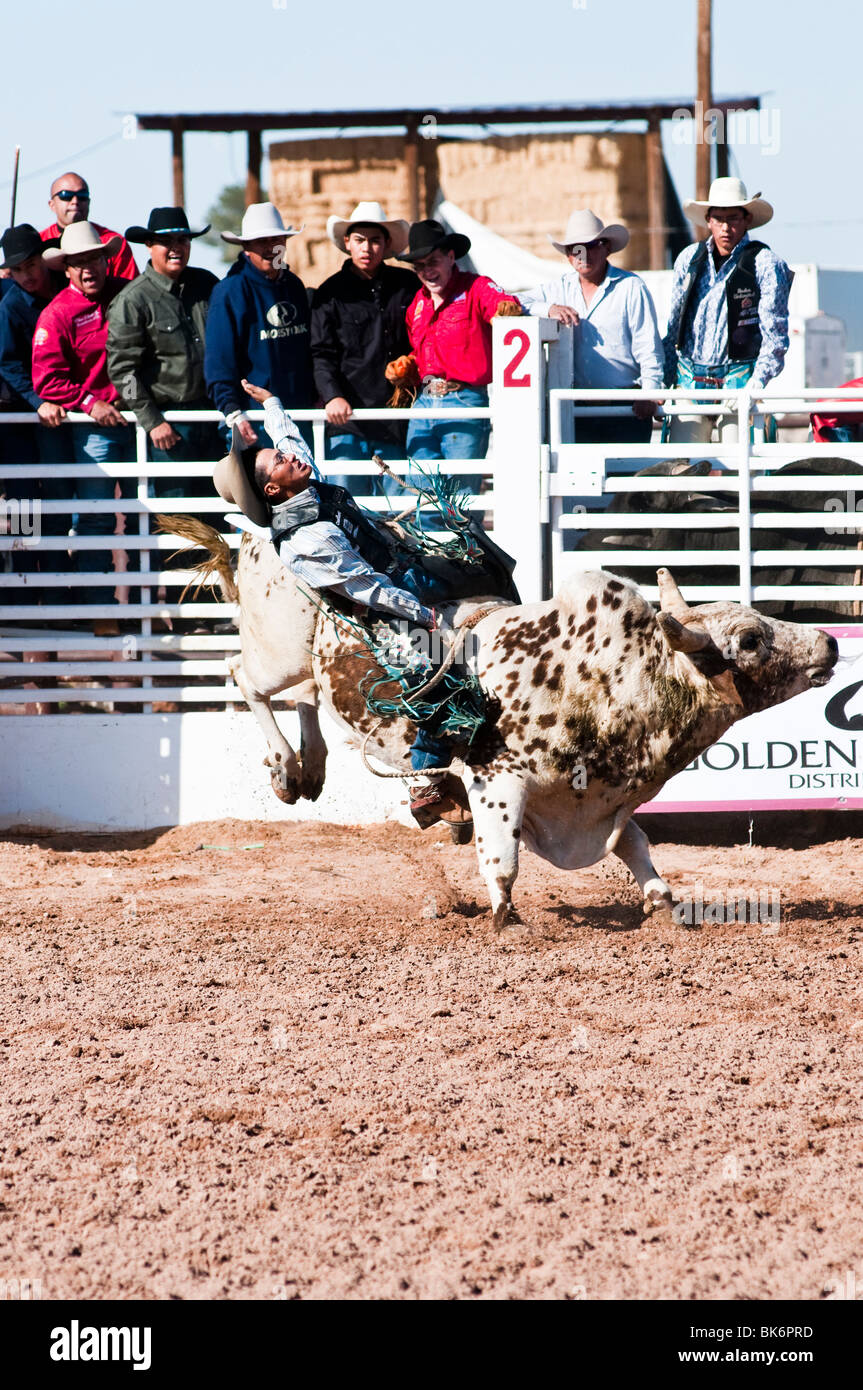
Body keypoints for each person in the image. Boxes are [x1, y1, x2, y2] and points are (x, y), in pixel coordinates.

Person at [217, 379, 473, 826]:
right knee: (430, 671)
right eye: (279, 461)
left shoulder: (304, 488)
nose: (290, 457)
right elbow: (368, 589)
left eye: (283, 456)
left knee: (479, 574)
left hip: (401, 570)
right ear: (274, 489)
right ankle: (426, 782)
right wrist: (422, 613)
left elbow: (292, 441)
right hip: (382, 610)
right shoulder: (305, 540)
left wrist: (273, 402)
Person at [31, 222, 135, 631]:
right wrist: (92, 404)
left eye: (93, 258)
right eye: (78, 262)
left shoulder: (126, 298)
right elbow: (47, 379)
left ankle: (148, 604)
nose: (88, 267)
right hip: (95, 427)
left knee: (146, 513)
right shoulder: (56, 314)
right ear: (68, 270)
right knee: (95, 515)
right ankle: (100, 607)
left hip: (132, 419)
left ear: (106, 261)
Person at [663, 177, 793, 442]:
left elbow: (775, 333)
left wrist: (757, 382)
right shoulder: (690, 259)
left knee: (740, 468)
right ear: (708, 220)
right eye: (719, 219)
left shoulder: (766, 263)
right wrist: (664, 381)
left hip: (739, 377)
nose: (726, 227)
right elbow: (674, 325)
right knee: (678, 464)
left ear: (746, 220)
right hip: (689, 376)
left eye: (733, 218)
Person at [519, 208, 664, 444]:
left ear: (606, 247)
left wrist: (649, 393)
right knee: (578, 479)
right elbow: (512, 301)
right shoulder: (559, 290)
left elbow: (647, 345)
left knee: (627, 478)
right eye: (574, 249)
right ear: (567, 255)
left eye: (590, 245)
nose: (582, 254)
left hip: (625, 407)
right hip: (575, 409)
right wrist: (548, 309)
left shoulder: (631, 287)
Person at [107, 207, 221, 500]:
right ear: (149, 245)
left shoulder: (206, 284)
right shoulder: (133, 300)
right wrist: (153, 420)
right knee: (178, 515)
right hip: (170, 422)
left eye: (183, 240)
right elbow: (122, 371)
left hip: (211, 416)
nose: (176, 248)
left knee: (217, 512)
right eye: (166, 241)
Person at [311, 201, 418, 492]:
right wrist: (332, 396)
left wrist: (413, 364)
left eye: (374, 241)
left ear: (386, 245)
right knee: (347, 504)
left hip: (395, 416)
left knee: (395, 508)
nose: (366, 248)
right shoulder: (329, 293)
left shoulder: (407, 285)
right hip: (347, 419)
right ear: (347, 243)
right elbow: (321, 354)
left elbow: (422, 336)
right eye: (359, 240)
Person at [399, 219, 521, 462]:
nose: (427, 271)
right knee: (420, 489)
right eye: (419, 266)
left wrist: (505, 309)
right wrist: (409, 365)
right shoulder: (417, 304)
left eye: (433, 261)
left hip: (464, 399)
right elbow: (420, 351)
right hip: (424, 400)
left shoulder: (476, 287)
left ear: (451, 257)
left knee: (461, 490)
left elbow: (505, 306)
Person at [204, 202, 314, 450]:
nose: (270, 248)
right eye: (261, 241)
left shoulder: (294, 286)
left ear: (285, 243)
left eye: (276, 239)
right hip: (254, 421)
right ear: (246, 248)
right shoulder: (229, 292)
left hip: (299, 417)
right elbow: (218, 363)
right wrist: (233, 412)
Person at [0, 225, 68, 609]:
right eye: (17, 269)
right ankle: (27, 595)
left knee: (65, 503)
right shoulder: (10, 307)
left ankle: (62, 596)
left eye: (30, 265)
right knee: (26, 506)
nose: (26, 275)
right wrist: (38, 399)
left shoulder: (67, 286)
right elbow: (8, 364)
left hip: (57, 412)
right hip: (23, 418)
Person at [40, 172, 138, 283]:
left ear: (89, 202)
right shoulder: (38, 244)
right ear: (52, 204)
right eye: (66, 196)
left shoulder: (111, 240)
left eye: (82, 196)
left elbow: (129, 288)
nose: (75, 201)